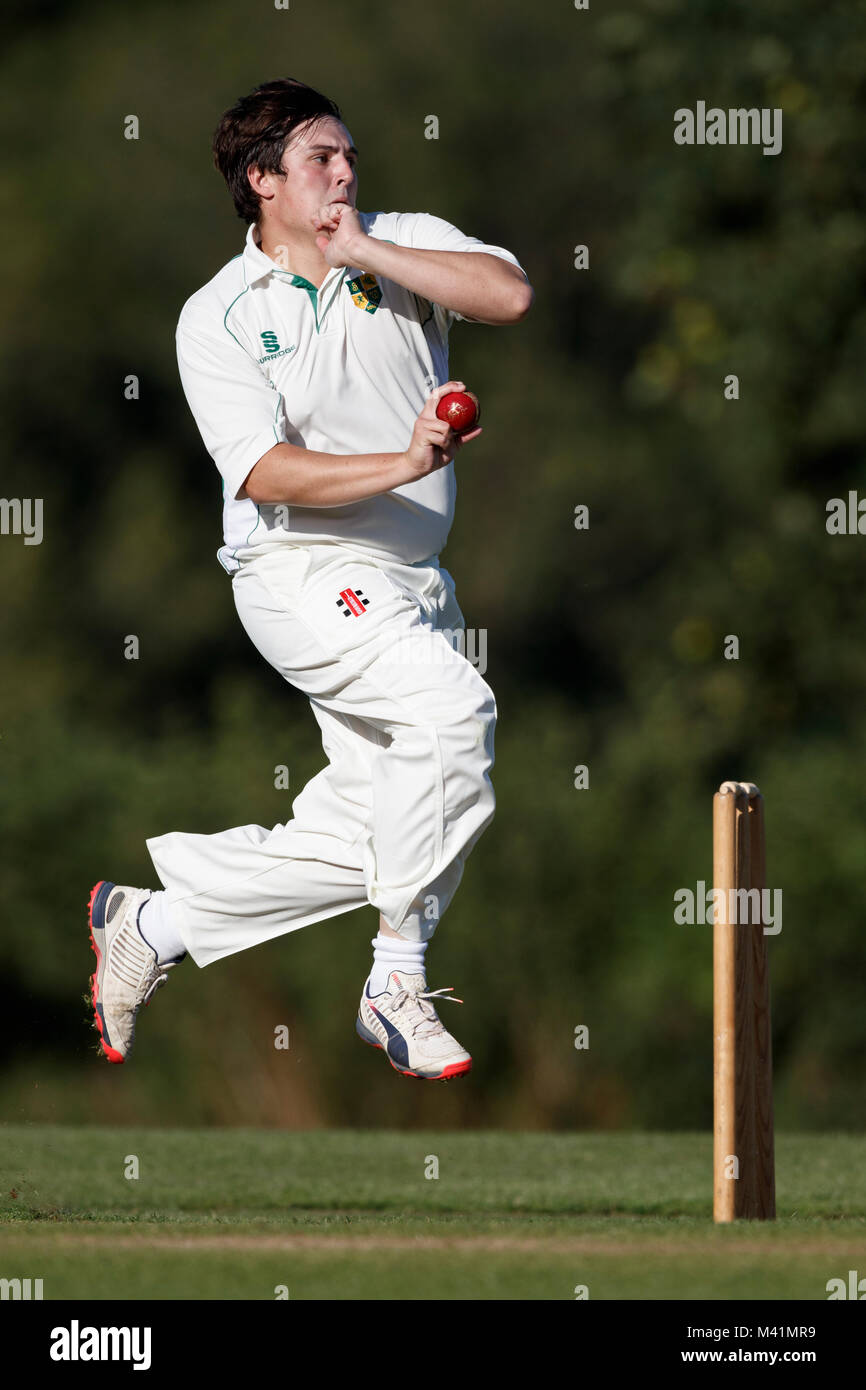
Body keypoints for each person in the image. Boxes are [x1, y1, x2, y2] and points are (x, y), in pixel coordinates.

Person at [87, 77, 533, 1082]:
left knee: (383, 817)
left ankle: (156, 921)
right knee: (453, 720)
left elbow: (507, 295)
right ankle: (394, 980)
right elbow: (262, 473)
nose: (343, 174)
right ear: (261, 181)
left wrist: (364, 249)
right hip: (299, 572)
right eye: (319, 161)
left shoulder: (395, 235)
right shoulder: (218, 316)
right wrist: (402, 466)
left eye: (349, 156)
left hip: (409, 575)